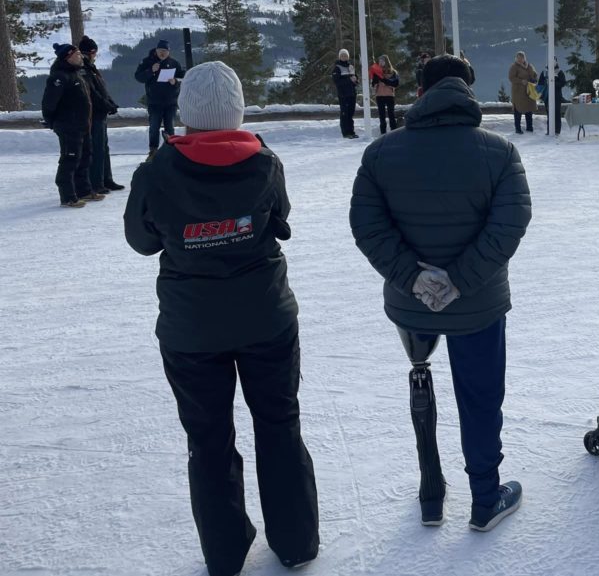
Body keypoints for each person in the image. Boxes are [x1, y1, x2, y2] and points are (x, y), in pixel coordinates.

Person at [124, 61, 320, 576]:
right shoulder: (264, 162)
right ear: (236, 112)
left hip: (192, 329)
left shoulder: (157, 170)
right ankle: (296, 542)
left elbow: (141, 241)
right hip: (267, 317)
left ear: (186, 114)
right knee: (279, 425)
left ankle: (225, 552)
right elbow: (280, 221)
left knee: (208, 440)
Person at [349, 54, 532, 531]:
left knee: (420, 381)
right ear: (468, 91)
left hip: (411, 304)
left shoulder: (382, 152)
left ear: (422, 92)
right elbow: (510, 224)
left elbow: (367, 226)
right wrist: (461, 280)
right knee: (480, 397)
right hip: (478, 303)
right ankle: (485, 499)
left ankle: (431, 493)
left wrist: (412, 277)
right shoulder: (499, 152)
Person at [42, 43, 101, 208]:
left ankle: (83, 190)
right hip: (68, 125)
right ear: (67, 58)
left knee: (85, 158)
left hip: (83, 125)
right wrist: (52, 121)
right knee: (70, 159)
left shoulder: (76, 74)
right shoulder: (59, 77)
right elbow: (49, 103)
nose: (80, 57)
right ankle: (67, 196)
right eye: (76, 55)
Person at [78, 35, 124, 194]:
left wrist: (110, 102)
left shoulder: (91, 68)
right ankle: (96, 182)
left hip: (100, 113)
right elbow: (91, 92)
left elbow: (101, 89)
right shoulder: (82, 69)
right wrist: (106, 105)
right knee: (96, 148)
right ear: (90, 52)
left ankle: (106, 178)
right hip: (93, 114)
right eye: (94, 53)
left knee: (103, 148)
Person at [134, 39, 185, 161]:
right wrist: (151, 71)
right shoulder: (147, 62)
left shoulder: (174, 63)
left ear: (169, 52)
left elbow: (185, 77)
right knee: (154, 127)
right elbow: (138, 77)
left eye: (165, 51)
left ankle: (171, 151)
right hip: (154, 102)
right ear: (156, 51)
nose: (162, 53)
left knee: (170, 128)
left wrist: (175, 82)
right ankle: (153, 151)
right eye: (160, 51)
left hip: (170, 102)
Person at [508, 51, 538, 134]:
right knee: (518, 109)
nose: (520, 59)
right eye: (519, 58)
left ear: (524, 58)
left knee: (529, 109)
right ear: (516, 58)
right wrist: (521, 81)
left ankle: (529, 127)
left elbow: (535, 75)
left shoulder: (529, 66)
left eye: (522, 58)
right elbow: (511, 78)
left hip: (529, 91)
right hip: (518, 92)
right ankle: (518, 128)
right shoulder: (514, 67)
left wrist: (534, 79)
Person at [369, 54, 400, 134]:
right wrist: (375, 80)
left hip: (389, 95)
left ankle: (394, 132)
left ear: (386, 61)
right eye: (379, 61)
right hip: (380, 96)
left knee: (391, 115)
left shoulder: (393, 72)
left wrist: (383, 79)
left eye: (382, 61)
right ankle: (383, 133)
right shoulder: (376, 72)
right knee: (381, 116)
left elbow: (395, 83)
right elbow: (373, 84)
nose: (381, 62)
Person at [332, 49, 358, 139]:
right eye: (342, 55)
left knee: (351, 114)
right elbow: (337, 82)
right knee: (344, 114)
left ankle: (351, 131)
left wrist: (355, 80)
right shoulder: (337, 68)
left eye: (346, 55)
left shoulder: (351, 67)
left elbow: (355, 79)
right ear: (340, 57)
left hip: (352, 94)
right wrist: (349, 80)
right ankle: (346, 133)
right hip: (343, 94)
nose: (344, 57)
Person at [537, 60, 566, 136]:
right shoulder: (544, 72)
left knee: (557, 113)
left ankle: (557, 131)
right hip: (547, 96)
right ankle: (549, 130)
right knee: (549, 113)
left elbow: (563, 83)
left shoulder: (559, 72)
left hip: (557, 96)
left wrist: (553, 83)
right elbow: (540, 83)